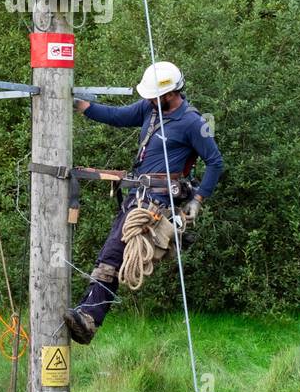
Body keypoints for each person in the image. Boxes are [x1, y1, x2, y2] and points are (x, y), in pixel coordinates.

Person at [64, 61, 224, 346]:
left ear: (170, 94)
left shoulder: (192, 123)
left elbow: (215, 161)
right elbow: (116, 116)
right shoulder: (150, 110)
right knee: (110, 256)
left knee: (112, 255)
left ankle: (89, 319)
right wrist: (80, 106)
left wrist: (198, 200)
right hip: (137, 197)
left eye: (154, 95)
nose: (149, 99)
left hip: (157, 202)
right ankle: (88, 317)